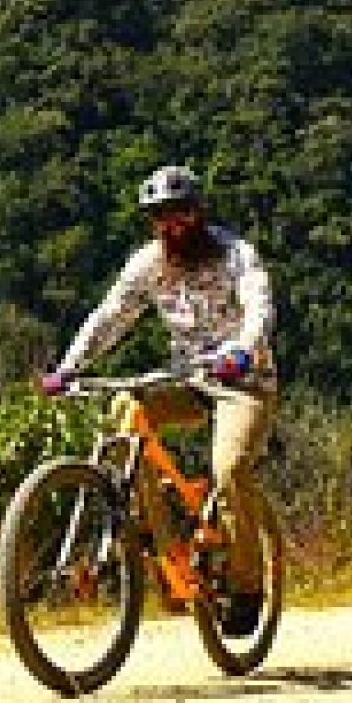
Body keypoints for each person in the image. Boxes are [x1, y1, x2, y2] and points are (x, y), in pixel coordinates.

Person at [39, 164, 277, 631]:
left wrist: (245, 352)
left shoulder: (235, 255)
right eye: (160, 217)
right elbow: (111, 315)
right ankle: (165, 547)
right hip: (185, 379)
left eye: (180, 214)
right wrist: (69, 367)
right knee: (126, 412)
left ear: (198, 212)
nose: (171, 226)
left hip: (242, 382)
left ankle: (247, 586)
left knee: (228, 468)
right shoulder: (149, 263)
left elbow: (259, 306)